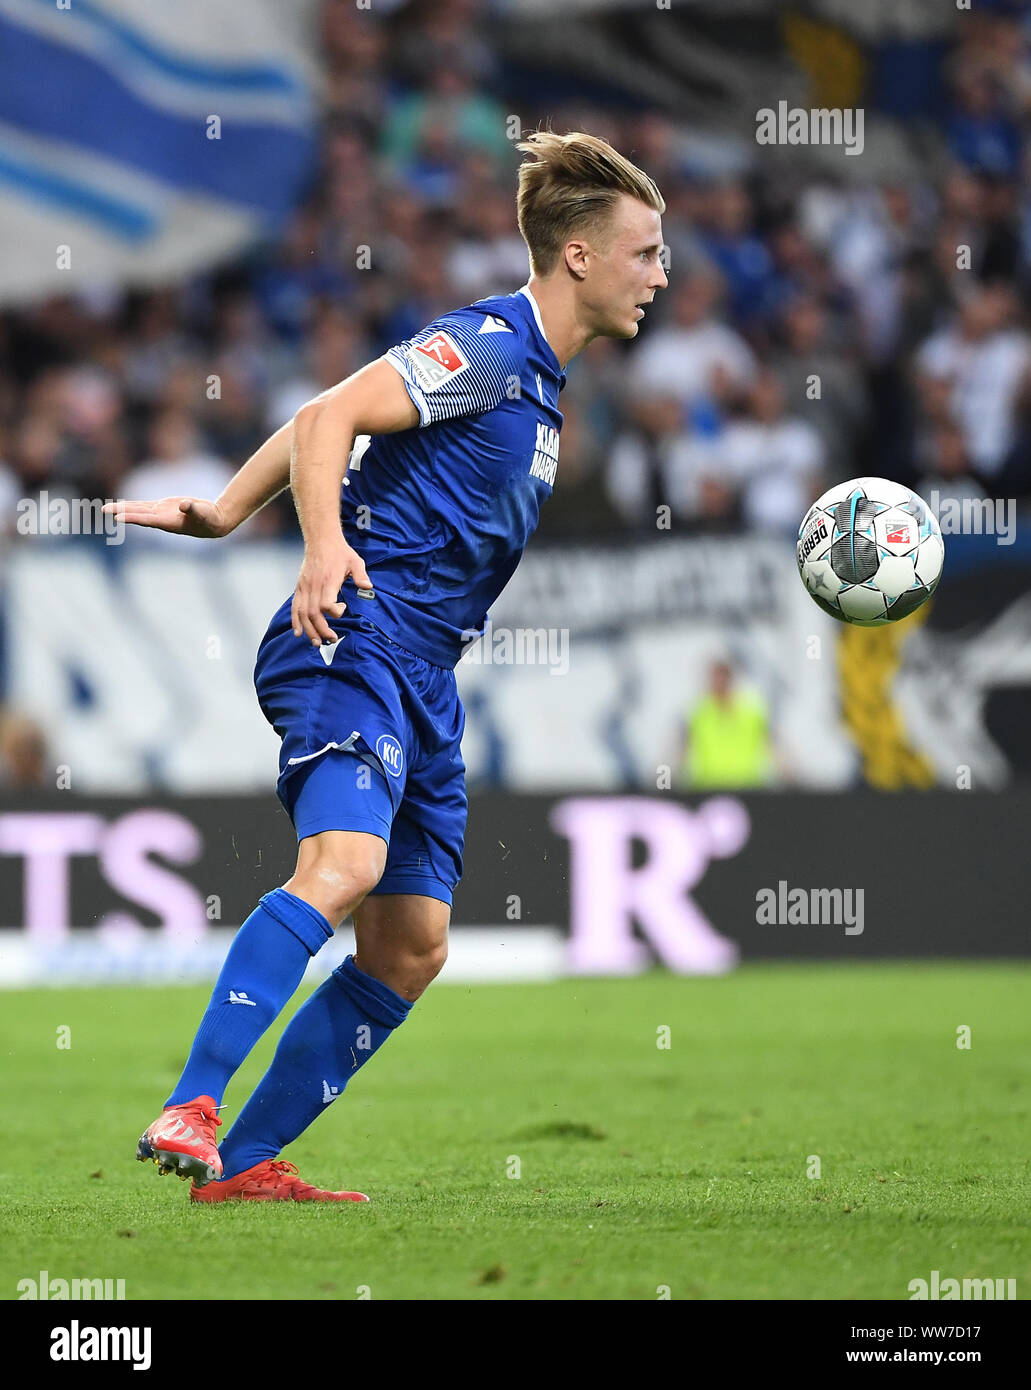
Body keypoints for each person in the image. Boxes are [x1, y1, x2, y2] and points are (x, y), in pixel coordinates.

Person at [105, 130, 668, 1203]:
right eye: (643, 252)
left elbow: (332, 407)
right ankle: (192, 1101)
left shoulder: (539, 387)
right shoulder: (493, 346)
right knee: (347, 865)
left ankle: (243, 1163)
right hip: (354, 635)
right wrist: (319, 544)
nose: (659, 274)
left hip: (424, 673)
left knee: (410, 947)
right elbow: (331, 416)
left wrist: (226, 509)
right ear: (580, 257)